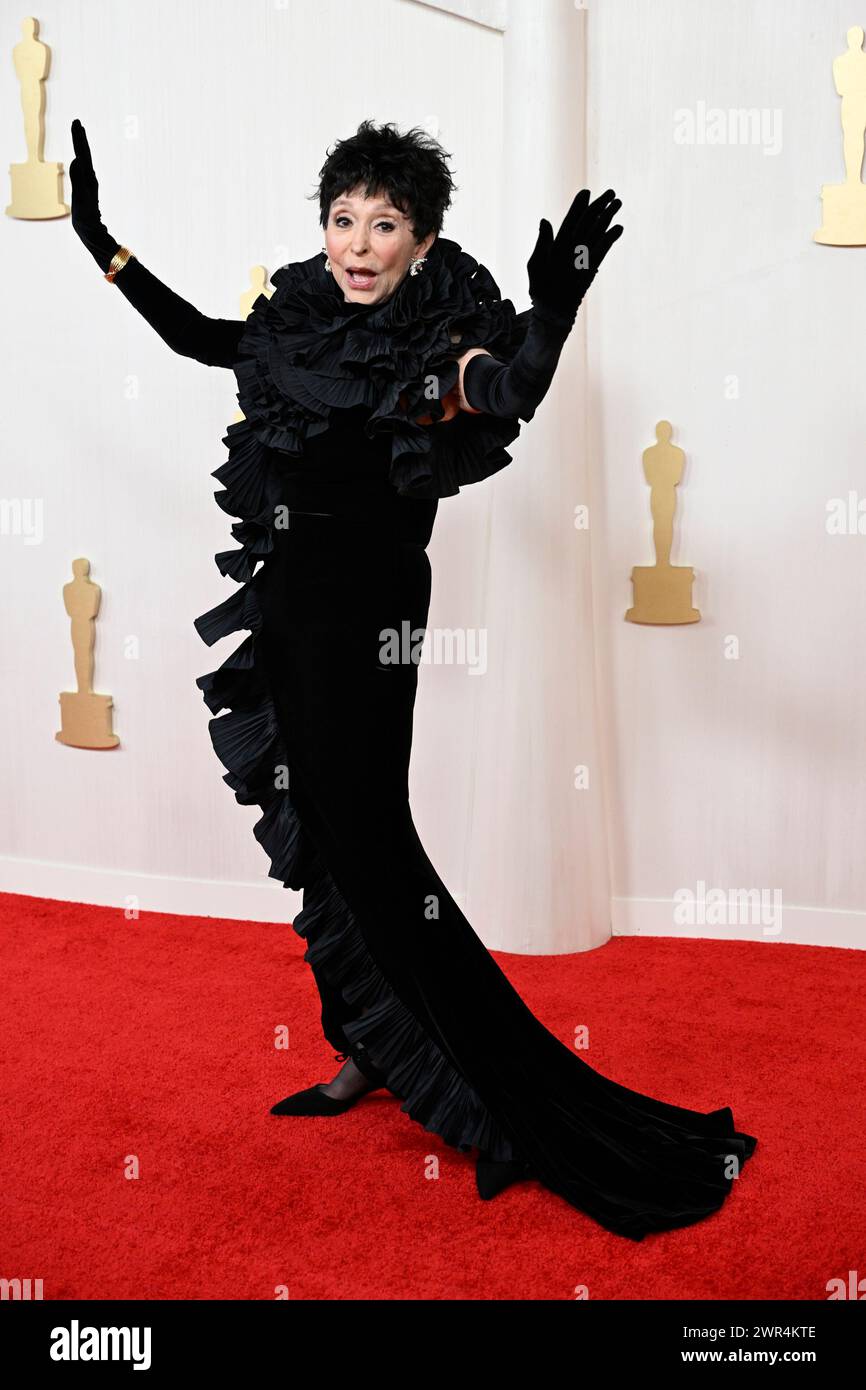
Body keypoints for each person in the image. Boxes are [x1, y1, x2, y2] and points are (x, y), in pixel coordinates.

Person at [69, 116, 757, 1240]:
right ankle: (361, 1049)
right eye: (342, 219)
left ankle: (501, 1089)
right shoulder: (296, 324)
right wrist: (100, 238)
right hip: (286, 604)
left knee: (372, 839)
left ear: (421, 241)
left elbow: (507, 389)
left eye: (382, 224)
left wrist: (559, 304)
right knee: (323, 836)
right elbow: (199, 335)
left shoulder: (433, 344)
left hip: (369, 620)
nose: (356, 242)